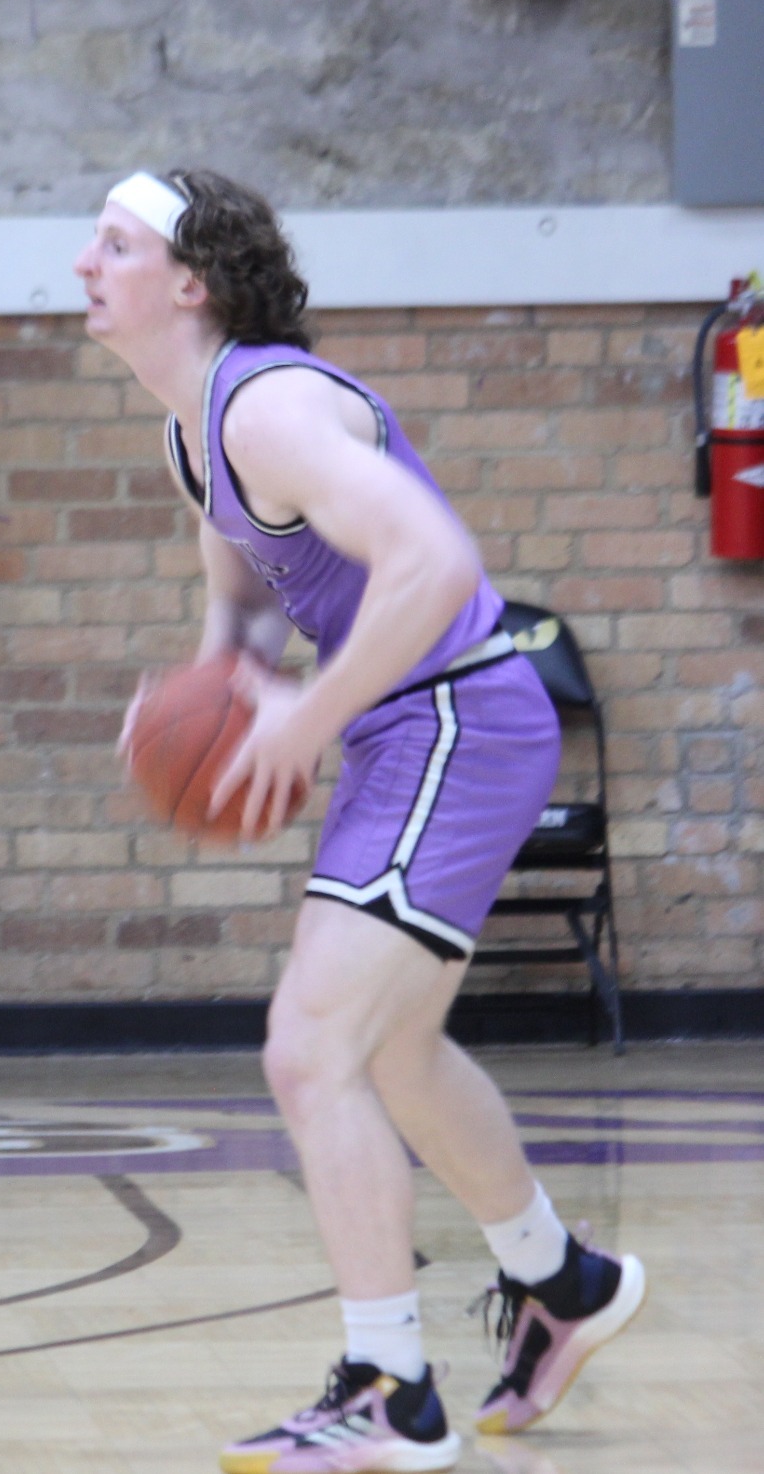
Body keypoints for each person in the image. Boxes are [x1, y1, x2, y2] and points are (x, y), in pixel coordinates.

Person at [80, 170, 645, 1473]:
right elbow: (247, 615)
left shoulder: (269, 406)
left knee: (308, 1046)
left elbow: (438, 562)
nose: (82, 264)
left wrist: (303, 717)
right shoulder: (192, 428)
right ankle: (563, 1280)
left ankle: (389, 1383)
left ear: (191, 281)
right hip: (419, 727)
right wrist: (219, 688)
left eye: (112, 243)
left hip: (453, 717)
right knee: (390, 1051)